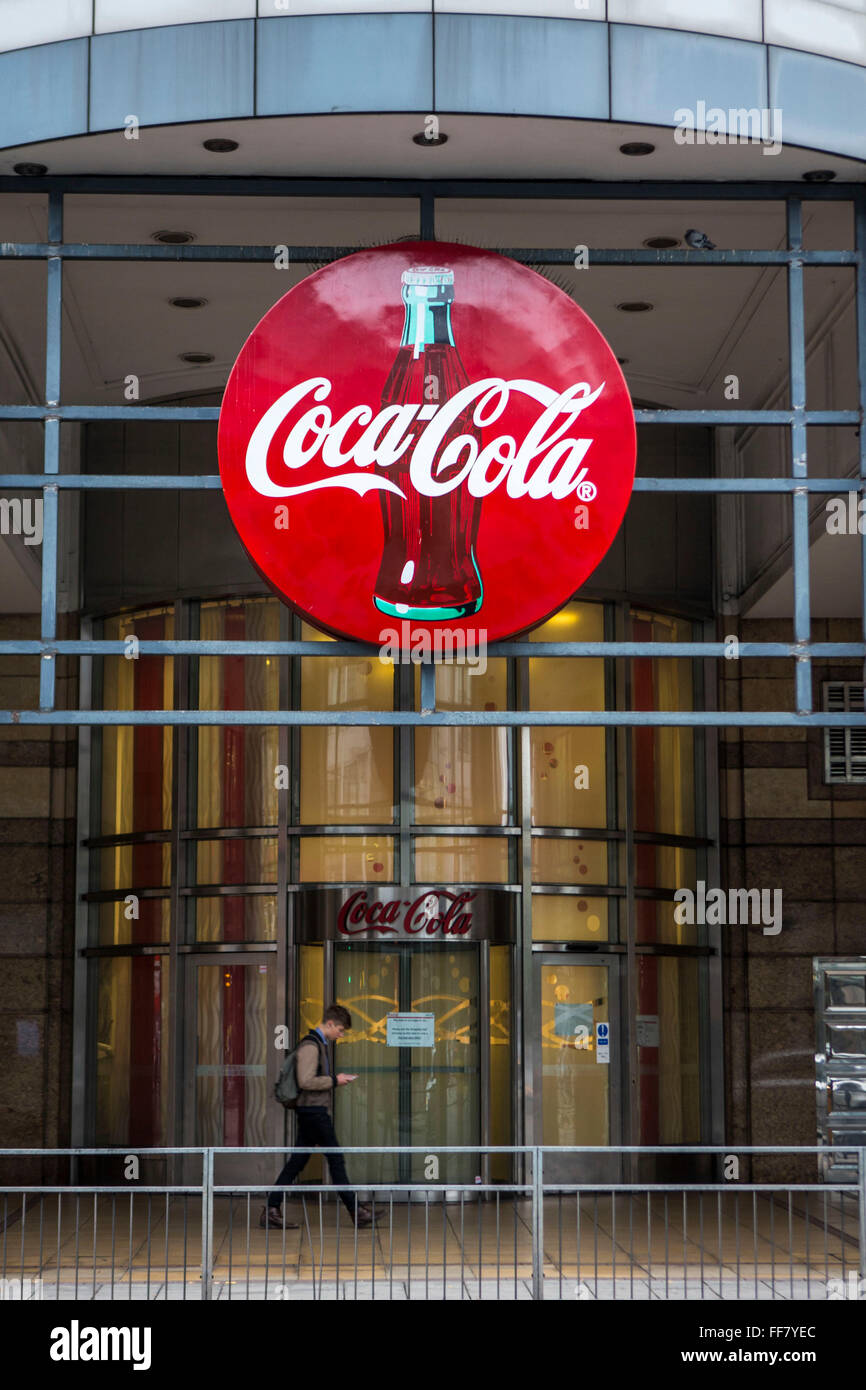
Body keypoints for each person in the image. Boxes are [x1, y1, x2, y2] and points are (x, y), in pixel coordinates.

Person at [261, 1003, 372, 1229]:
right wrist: (335, 1080)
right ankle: (356, 1210)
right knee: (336, 1160)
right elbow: (306, 1080)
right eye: (340, 1030)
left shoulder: (318, 1044)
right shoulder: (311, 1046)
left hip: (312, 1111)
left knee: (297, 1163)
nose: (340, 1035)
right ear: (329, 1024)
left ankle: (272, 1208)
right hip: (313, 1112)